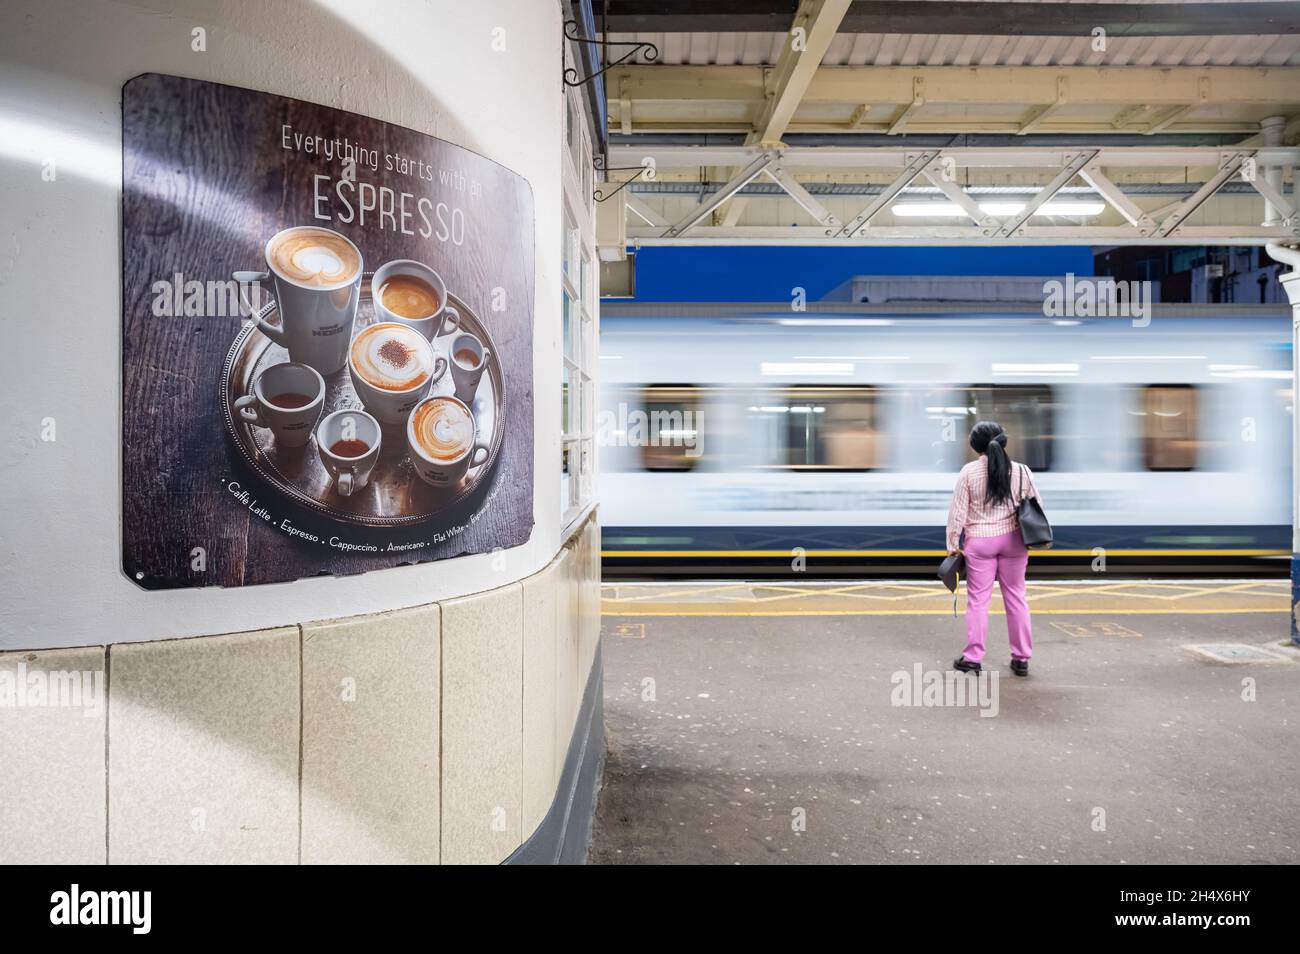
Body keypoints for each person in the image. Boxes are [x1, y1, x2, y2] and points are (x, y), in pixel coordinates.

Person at [945, 421, 1039, 676]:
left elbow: (957, 513)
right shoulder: (1022, 471)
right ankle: (1021, 658)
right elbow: (1036, 506)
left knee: (978, 601)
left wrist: (953, 545)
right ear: (1004, 441)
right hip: (1015, 541)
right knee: (1017, 597)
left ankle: (973, 658)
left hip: (980, 542)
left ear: (975, 446)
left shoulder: (968, 472)